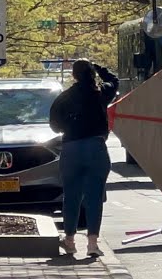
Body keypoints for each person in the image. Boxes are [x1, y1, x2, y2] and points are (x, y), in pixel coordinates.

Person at [48, 59, 119, 258]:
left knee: (71, 196)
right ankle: (92, 243)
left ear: (74, 75)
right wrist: (99, 68)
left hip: (71, 148)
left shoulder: (64, 97)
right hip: (96, 148)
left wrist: (69, 126)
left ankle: (69, 241)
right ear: (92, 74)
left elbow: (54, 125)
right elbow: (114, 80)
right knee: (95, 197)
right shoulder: (101, 93)